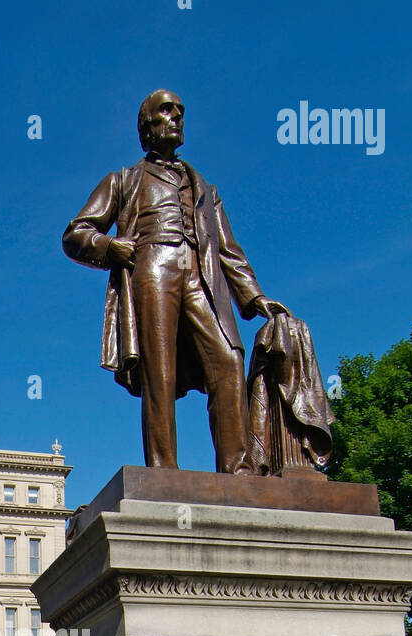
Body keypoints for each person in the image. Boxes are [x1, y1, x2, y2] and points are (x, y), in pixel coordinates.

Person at [62, 90, 289, 473]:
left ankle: (238, 471)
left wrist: (255, 298)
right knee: (159, 370)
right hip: (152, 267)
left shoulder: (205, 190)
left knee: (229, 359)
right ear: (146, 124)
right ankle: (164, 473)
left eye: (181, 111)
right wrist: (109, 246)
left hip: (202, 275)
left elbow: (229, 251)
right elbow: (75, 234)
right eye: (166, 110)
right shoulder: (124, 180)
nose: (176, 117)